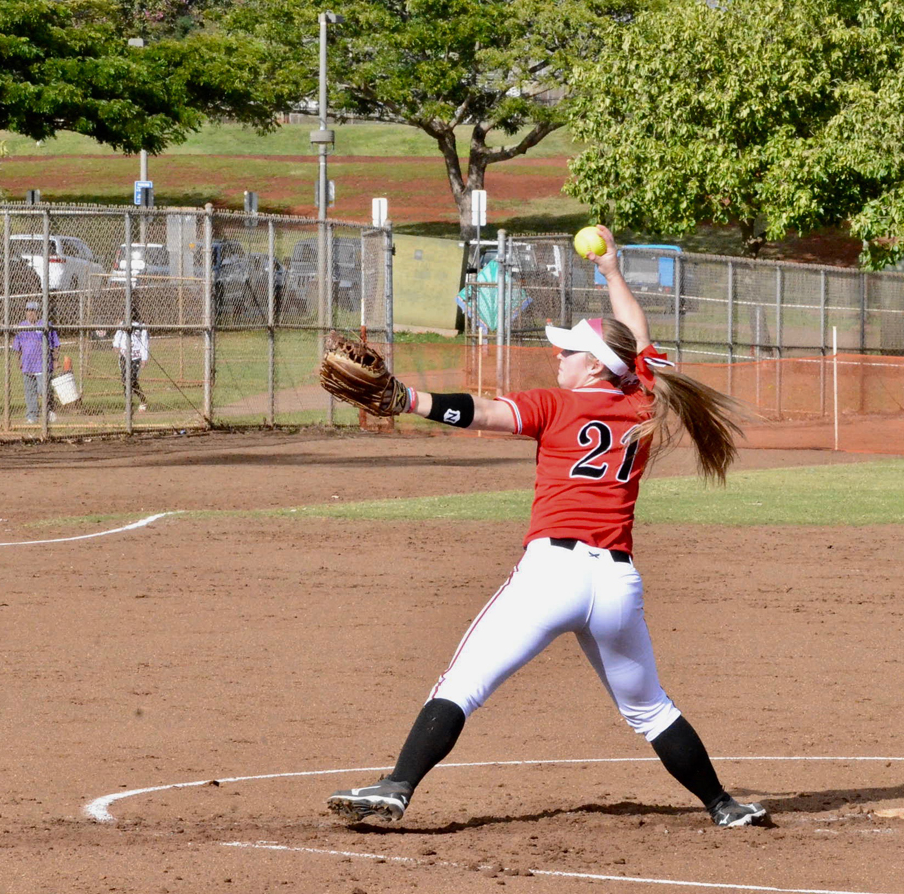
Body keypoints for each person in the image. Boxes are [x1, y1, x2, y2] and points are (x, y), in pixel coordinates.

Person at [327, 226, 767, 829]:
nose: (557, 356)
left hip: (551, 576)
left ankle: (399, 785)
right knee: (650, 709)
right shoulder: (641, 401)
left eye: (569, 352)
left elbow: (480, 413)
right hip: (616, 586)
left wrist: (407, 399)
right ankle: (723, 805)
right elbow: (640, 339)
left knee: (463, 682)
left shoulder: (554, 406)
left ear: (596, 368)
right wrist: (613, 272)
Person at [12, 300, 59, 424]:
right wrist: (19, 360)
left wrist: (55, 359)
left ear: (38, 312)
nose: (30, 313)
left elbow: (55, 344)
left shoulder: (45, 324)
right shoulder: (22, 326)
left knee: (43, 390)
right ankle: (32, 415)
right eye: (28, 310)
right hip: (27, 365)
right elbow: (18, 346)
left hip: (42, 365)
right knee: (30, 392)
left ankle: (49, 411)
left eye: (33, 311)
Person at [112, 310, 149, 412]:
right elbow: (118, 335)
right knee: (124, 380)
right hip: (124, 355)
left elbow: (144, 342)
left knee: (132, 380)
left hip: (136, 357)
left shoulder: (141, 326)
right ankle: (129, 405)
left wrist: (144, 358)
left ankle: (143, 400)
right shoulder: (123, 324)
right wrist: (116, 346)